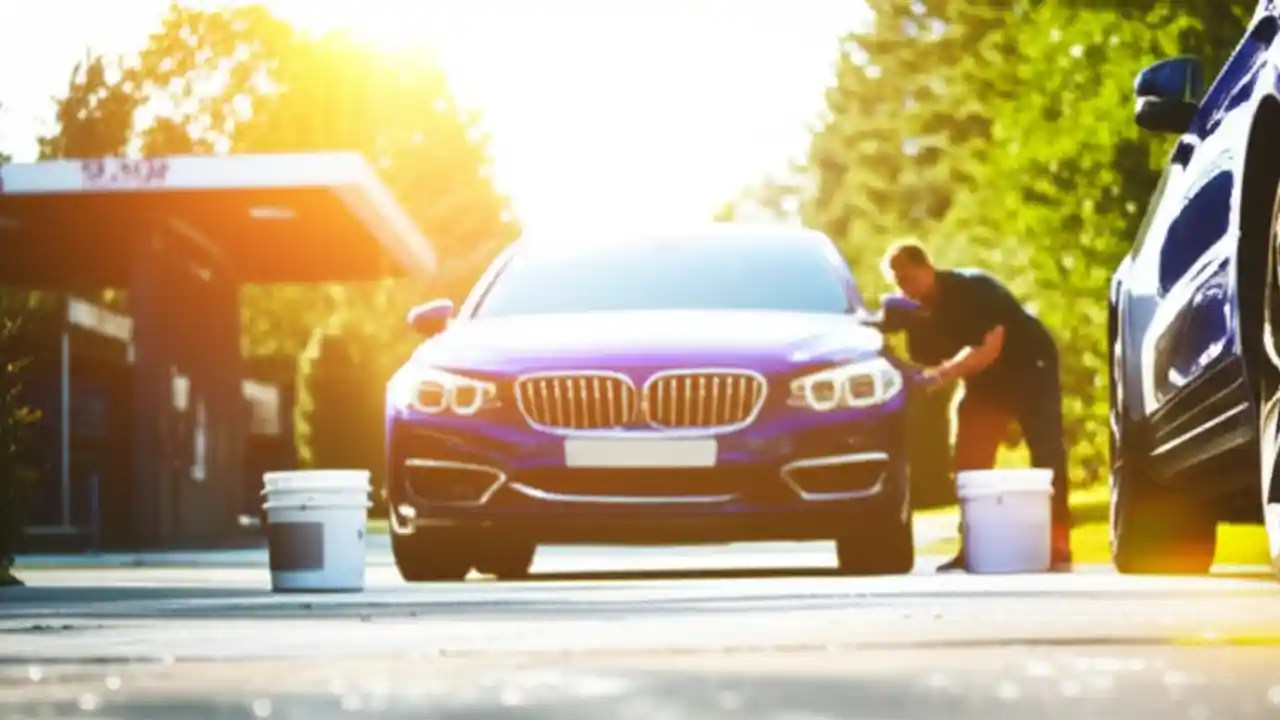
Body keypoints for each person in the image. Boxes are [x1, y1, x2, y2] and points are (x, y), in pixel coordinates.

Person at [875, 241, 1073, 572]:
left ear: (927, 267)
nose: (905, 288)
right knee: (968, 458)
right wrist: (884, 345)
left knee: (1047, 450)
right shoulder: (919, 320)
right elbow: (926, 369)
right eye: (898, 283)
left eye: (908, 278)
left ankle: (1058, 543)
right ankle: (973, 545)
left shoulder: (973, 289)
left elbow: (989, 346)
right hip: (984, 382)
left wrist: (943, 374)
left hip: (1028, 365)